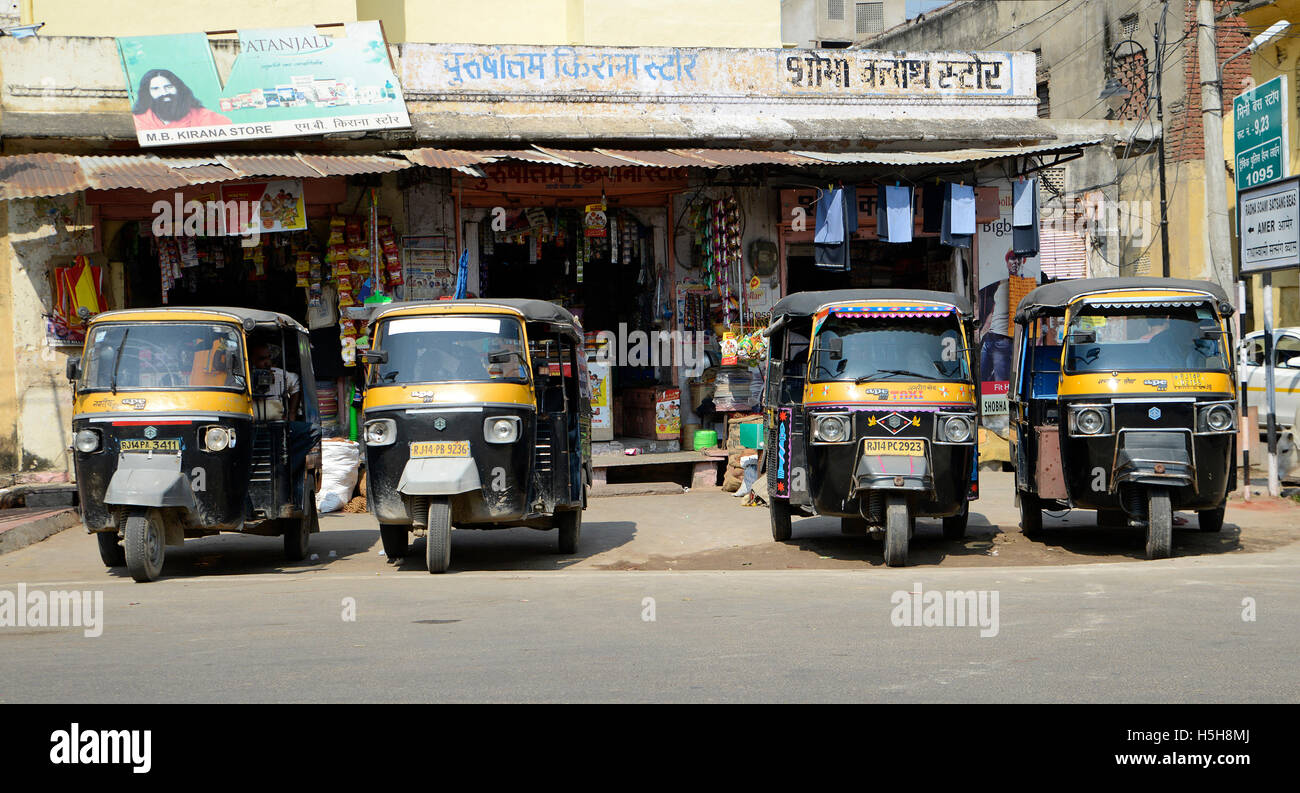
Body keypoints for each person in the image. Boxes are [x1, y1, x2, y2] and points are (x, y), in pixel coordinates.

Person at [132, 69, 231, 130]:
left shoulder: (206, 118)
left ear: (179, 88)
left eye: (168, 87)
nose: (164, 93)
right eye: (156, 89)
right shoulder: (138, 120)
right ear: (147, 94)